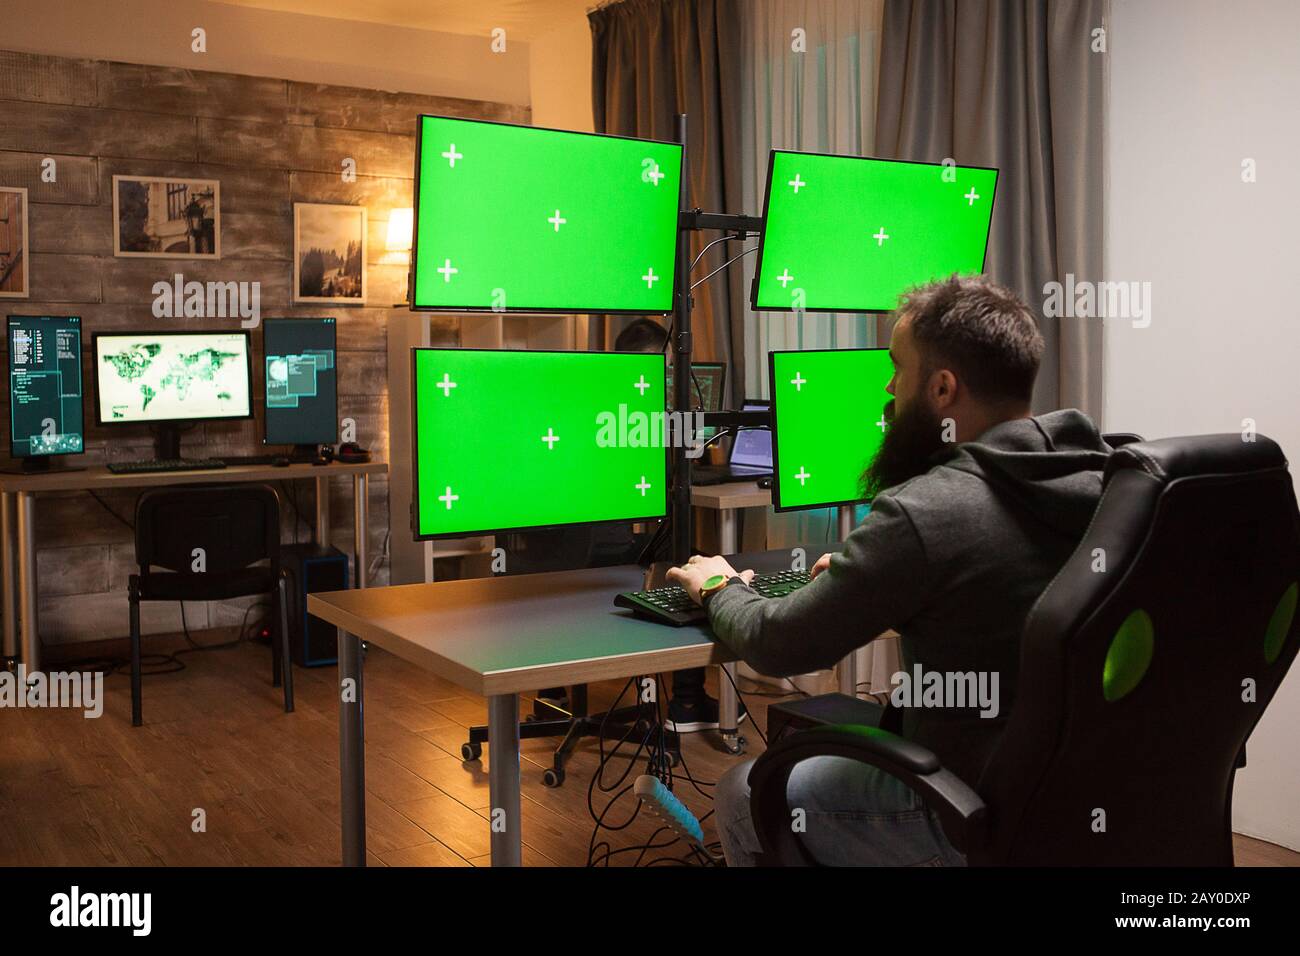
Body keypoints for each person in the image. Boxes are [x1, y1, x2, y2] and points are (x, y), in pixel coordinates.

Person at [667, 274, 1112, 865]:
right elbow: (1009, 604)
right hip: (1091, 798)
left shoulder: (927, 510)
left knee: (745, 790)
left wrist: (719, 585)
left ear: (943, 388)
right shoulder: (1105, 481)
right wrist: (885, 583)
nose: (888, 386)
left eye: (897, 368)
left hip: (968, 809)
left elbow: (777, 644)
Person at [537, 318, 746, 733]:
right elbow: (685, 465)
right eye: (664, 369)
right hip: (606, 553)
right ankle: (686, 701)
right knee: (695, 564)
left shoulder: (587, 405)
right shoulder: (641, 419)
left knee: (675, 549)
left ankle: (554, 687)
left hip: (564, 555)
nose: (667, 379)